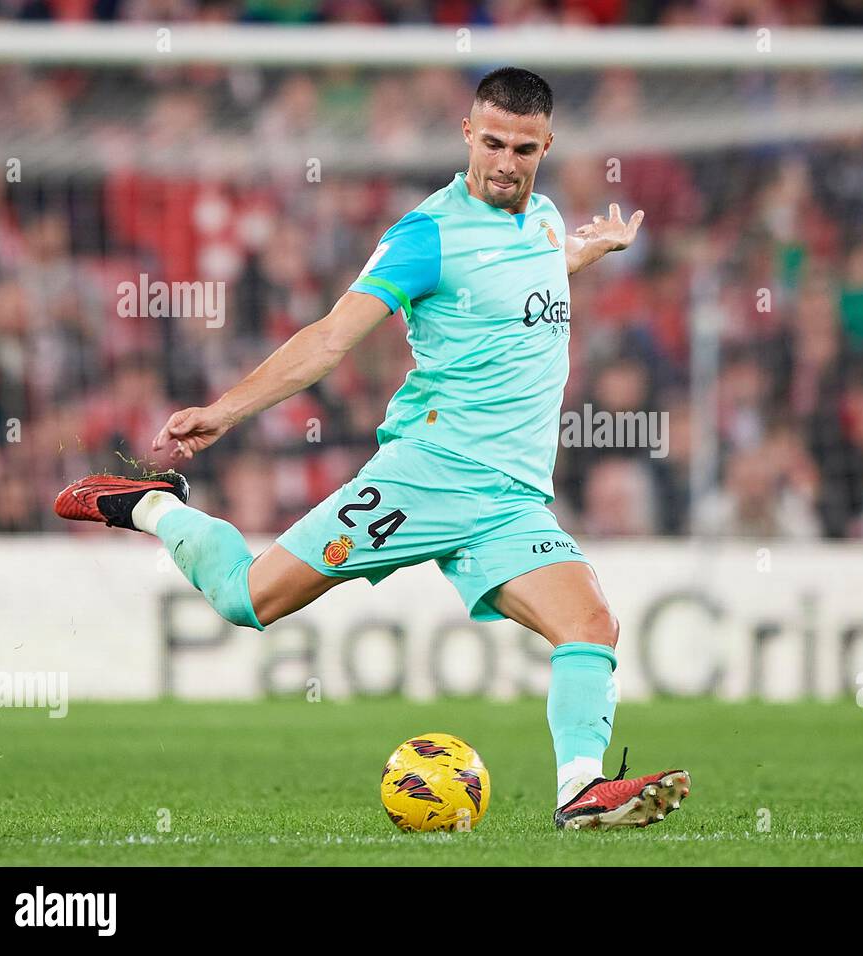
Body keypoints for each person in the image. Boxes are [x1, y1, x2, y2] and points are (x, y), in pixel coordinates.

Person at [54, 67, 689, 832]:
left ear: (547, 145)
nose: (505, 162)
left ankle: (579, 792)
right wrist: (224, 411)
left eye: (523, 148)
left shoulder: (547, 221)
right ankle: (152, 507)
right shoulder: (427, 235)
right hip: (425, 476)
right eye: (491, 142)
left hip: (509, 500)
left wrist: (592, 250)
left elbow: (530, 273)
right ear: (466, 135)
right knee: (247, 599)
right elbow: (329, 339)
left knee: (591, 626)